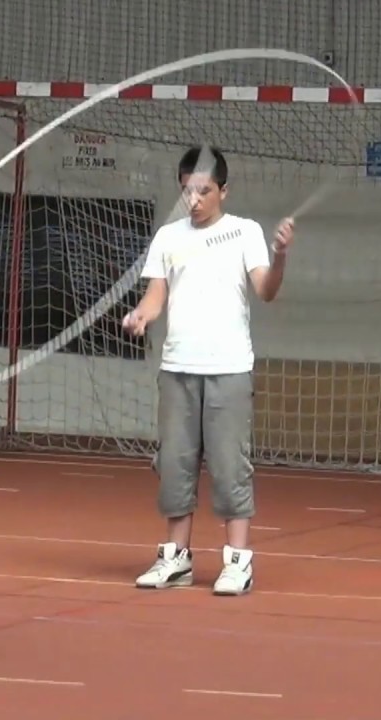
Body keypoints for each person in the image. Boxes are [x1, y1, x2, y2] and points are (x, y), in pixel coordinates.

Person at [121, 145, 294, 596]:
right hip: (177, 368)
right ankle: (175, 558)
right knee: (176, 464)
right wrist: (142, 314)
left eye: (203, 191)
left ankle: (237, 561)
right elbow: (156, 295)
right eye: (187, 191)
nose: (194, 200)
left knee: (228, 465)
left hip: (229, 368)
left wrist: (280, 257)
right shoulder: (168, 237)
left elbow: (266, 291)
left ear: (223, 190)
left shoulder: (245, 233)